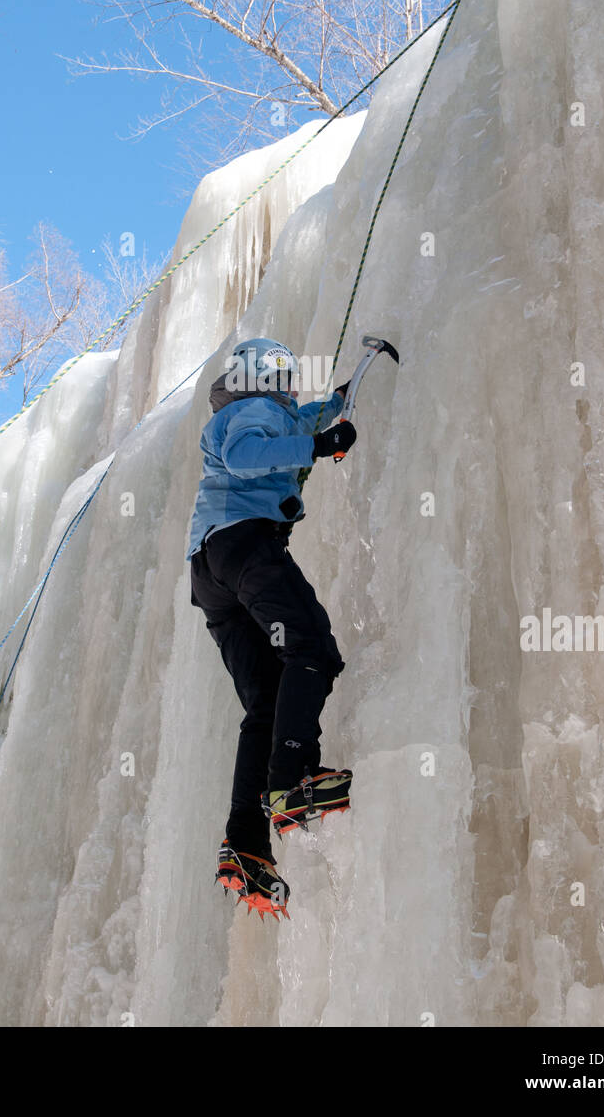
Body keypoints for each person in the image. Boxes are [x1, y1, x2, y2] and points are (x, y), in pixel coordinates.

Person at [187, 338, 357, 917]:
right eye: (281, 375)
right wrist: (318, 442)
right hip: (246, 547)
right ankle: (291, 780)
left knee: (264, 701)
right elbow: (246, 456)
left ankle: (245, 843)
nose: (288, 387)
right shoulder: (249, 411)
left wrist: (330, 408)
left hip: (212, 576)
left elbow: (290, 425)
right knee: (313, 653)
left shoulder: (261, 411)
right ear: (257, 375)